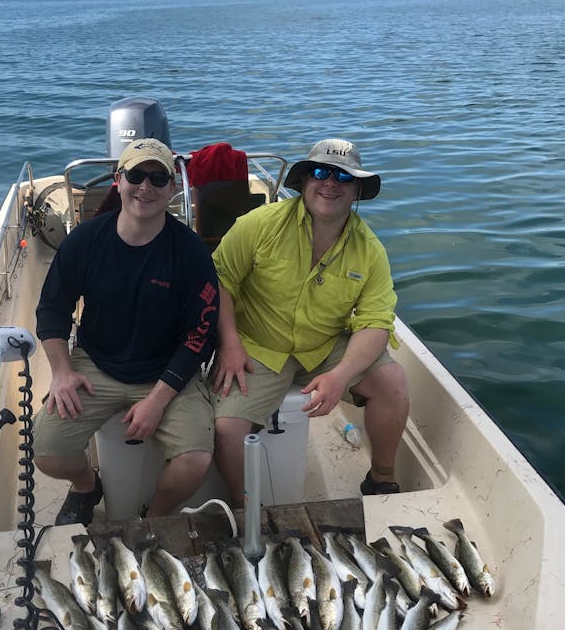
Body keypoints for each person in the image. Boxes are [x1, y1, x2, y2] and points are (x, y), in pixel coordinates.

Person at [210, 137, 409, 505]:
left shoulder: (370, 250)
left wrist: (341, 375)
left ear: (357, 190)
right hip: (258, 346)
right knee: (226, 429)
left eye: (344, 177)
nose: (330, 183)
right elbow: (219, 280)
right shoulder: (258, 225)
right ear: (304, 181)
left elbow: (376, 323)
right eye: (321, 172)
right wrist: (230, 344)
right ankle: (245, 507)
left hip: (324, 347)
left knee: (393, 382)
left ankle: (381, 479)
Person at [34, 138, 219, 524]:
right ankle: (87, 486)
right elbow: (52, 310)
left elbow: (199, 336)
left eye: (158, 178)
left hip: (167, 369)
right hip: (96, 363)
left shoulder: (190, 252)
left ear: (172, 189)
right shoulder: (85, 241)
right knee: (47, 451)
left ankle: (153, 518)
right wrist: (63, 372)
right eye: (136, 175)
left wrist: (158, 399)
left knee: (195, 461)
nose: (145, 187)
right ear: (119, 181)